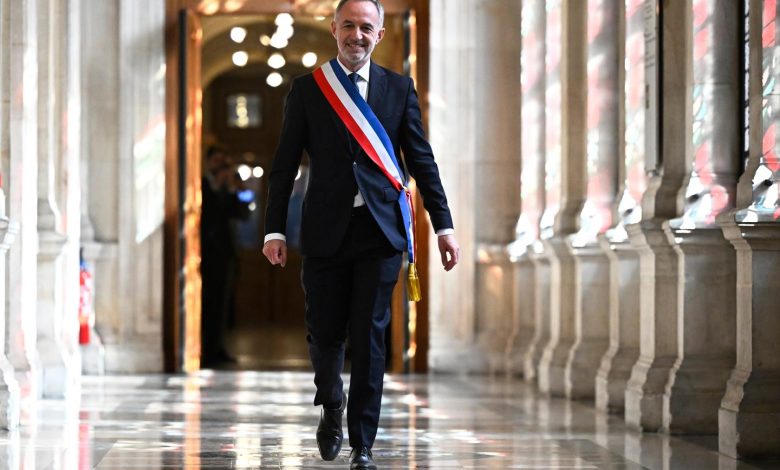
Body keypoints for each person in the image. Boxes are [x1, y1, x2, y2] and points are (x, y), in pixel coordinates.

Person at [262, 0, 459, 468]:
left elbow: (421, 161)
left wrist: (444, 224)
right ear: (333, 29)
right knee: (324, 332)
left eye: (366, 27)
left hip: (380, 233)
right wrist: (274, 229)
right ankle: (331, 403)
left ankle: (362, 446)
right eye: (348, 25)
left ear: (381, 33)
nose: (356, 35)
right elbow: (284, 165)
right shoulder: (309, 90)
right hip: (325, 231)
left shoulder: (399, 88)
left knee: (369, 337)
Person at [201, 146, 249, 367]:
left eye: (223, 161)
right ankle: (204, 350)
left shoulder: (228, 189)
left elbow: (244, 214)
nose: (221, 166)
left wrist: (231, 190)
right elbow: (208, 216)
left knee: (222, 306)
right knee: (207, 305)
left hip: (225, 256)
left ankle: (217, 347)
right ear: (209, 162)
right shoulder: (201, 186)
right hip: (205, 255)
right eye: (217, 161)